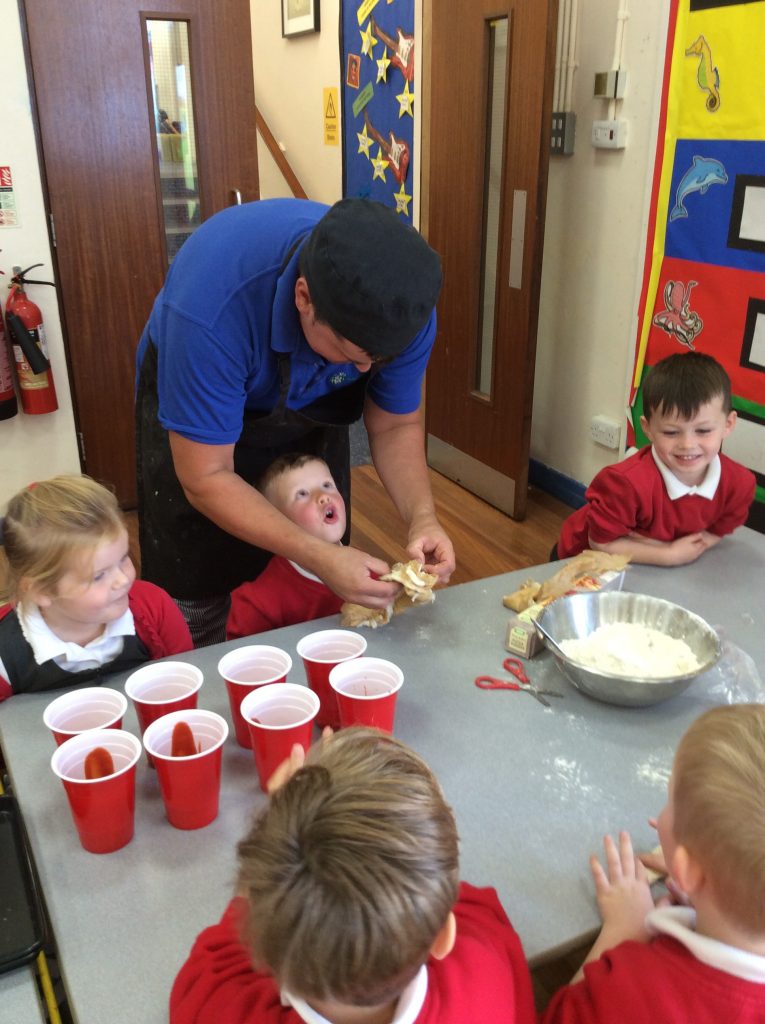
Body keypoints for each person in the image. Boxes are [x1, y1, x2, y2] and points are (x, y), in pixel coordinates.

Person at [135, 196, 455, 647]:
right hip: (205, 409)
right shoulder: (209, 309)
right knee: (198, 590)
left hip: (304, 406)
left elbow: (394, 425)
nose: (365, 371)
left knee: (316, 574)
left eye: (379, 360)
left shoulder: (402, 310)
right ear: (303, 297)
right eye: (353, 354)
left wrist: (422, 518)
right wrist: (321, 556)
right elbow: (206, 477)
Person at [170, 727, 537, 1024]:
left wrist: (279, 832)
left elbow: (220, 954)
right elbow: (477, 912)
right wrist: (426, 840)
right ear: (441, 937)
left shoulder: (219, 1006)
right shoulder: (484, 979)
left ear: (265, 952)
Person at [542, 704, 765, 1024]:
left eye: (670, 801)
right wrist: (714, 892)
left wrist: (624, 931)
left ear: (687, 871)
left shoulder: (634, 992)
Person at [0, 475, 192, 700]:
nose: (123, 580)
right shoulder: (5, 651)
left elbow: (184, 676)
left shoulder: (154, 606)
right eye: (99, 576)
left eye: (123, 558)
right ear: (43, 590)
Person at [556, 352, 755, 565]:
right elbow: (600, 543)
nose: (687, 444)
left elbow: (719, 528)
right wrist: (669, 554)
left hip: (648, 568)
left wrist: (689, 546)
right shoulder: (624, 484)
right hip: (581, 562)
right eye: (671, 432)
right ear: (648, 428)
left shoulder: (739, 484)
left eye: (703, 430)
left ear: (728, 424)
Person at [227, 453, 345, 640]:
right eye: (302, 494)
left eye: (327, 485)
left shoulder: (364, 564)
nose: (323, 496)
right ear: (279, 521)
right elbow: (239, 645)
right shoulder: (265, 598)